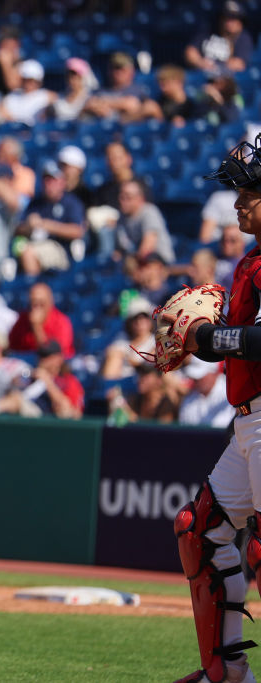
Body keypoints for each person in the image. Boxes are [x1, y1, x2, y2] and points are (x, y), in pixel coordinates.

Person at [164, 134, 261, 683]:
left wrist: (209, 340)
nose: (238, 201)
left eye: (250, 190)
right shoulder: (253, 257)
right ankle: (227, 676)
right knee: (199, 530)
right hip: (249, 419)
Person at [14, 160, 86, 275]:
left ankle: (34, 286)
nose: (49, 184)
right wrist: (28, 225)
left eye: (53, 180)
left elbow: (78, 231)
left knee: (28, 252)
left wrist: (47, 225)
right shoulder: (36, 203)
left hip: (61, 249)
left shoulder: (71, 202)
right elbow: (18, 229)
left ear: (62, 182)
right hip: (35, 244)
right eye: (46, 180)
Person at [115, 179, 176, 265]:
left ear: (140, 199)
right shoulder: (122, 217)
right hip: (135, 263)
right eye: (121, 197)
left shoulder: (149, 212)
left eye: (128, 197)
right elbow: (121, 248)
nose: (123, 201)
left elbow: (147, 248)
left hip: (159, 263)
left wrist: (130, 261)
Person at [8, 282, 74, 358]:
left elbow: (53, 355)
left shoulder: (61, 322)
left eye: (41, 303)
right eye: (33, 303)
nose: (36, 308)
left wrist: (36, 327)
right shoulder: (22, 320)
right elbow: (13, 348)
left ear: (50, 302)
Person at [186, 0, 253, 73]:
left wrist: (216, 66)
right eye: (227, 17)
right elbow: (190, 51)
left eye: (234, 18)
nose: (230, 22)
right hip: (202, 74)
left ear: (241, 21)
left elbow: (239, 64)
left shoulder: (244, 38)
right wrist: (200, 62)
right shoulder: (209, 30)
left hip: (226, 78)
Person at [0, 59, 55, 126]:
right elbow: (1, 113)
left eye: (32, 80)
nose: (29, 83)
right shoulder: (11, 97)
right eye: (26, 79)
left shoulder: (47, 96)